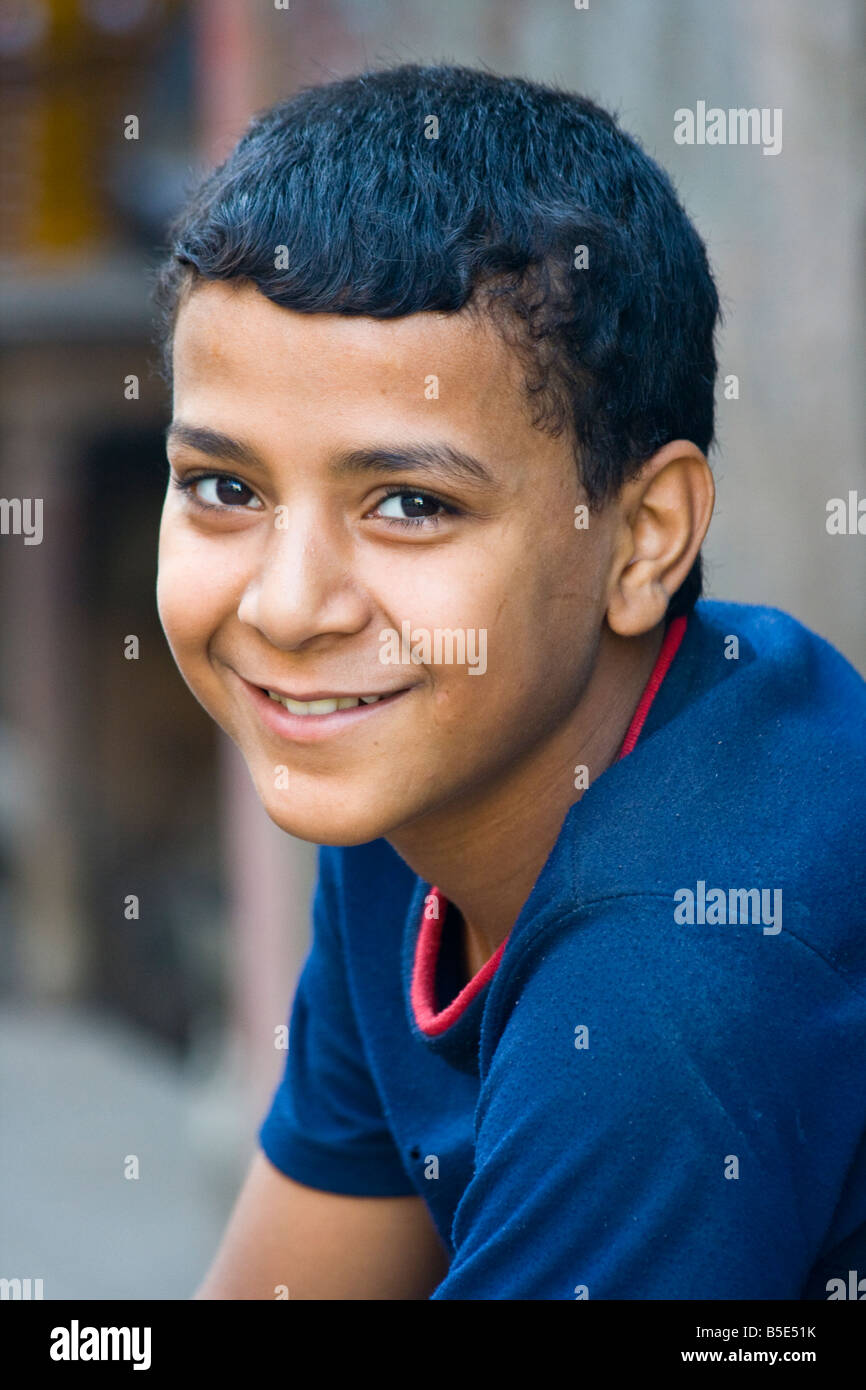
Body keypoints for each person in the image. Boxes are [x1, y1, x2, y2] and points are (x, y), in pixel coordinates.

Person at [153, 63, 866, 1299]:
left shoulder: (663, 995)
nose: (286, 606)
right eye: (226, 487)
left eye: (411, 505)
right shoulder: (423, 771)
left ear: (644, 539)